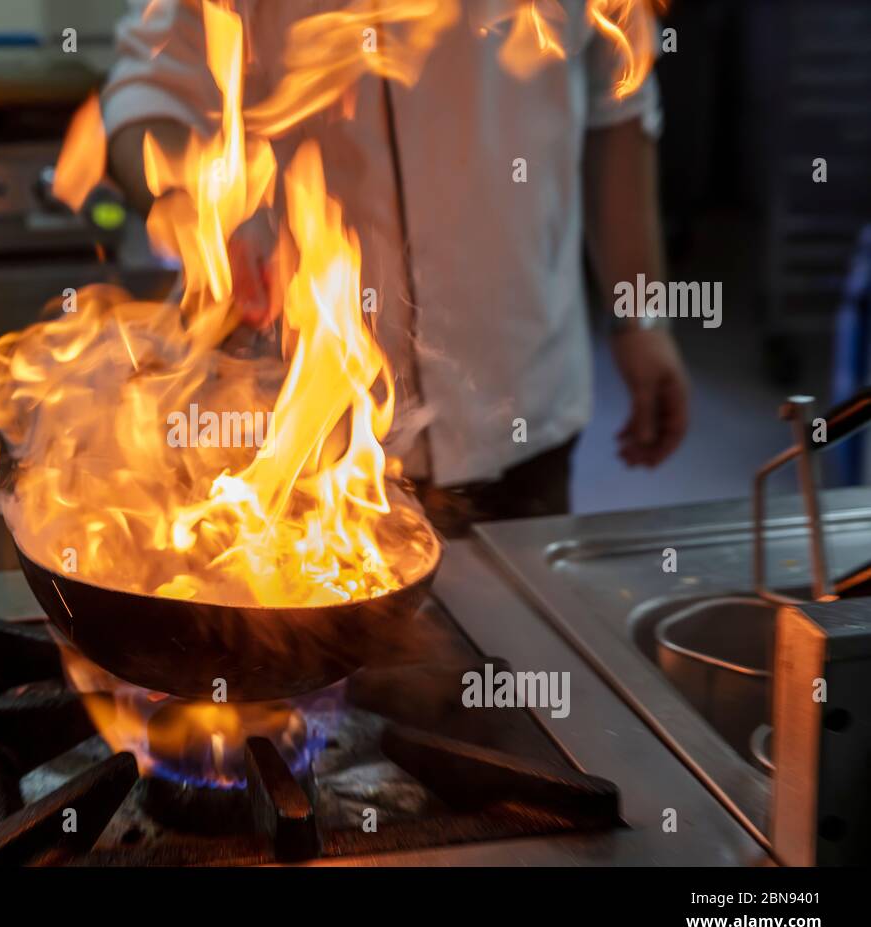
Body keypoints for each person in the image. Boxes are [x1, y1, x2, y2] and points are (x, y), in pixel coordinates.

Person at [102, 0, 690, 535]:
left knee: (515, 640)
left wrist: (642, 316)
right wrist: (211, 208)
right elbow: (143, 102)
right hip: (287, 424)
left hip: (517, 394)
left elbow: (620, 104)